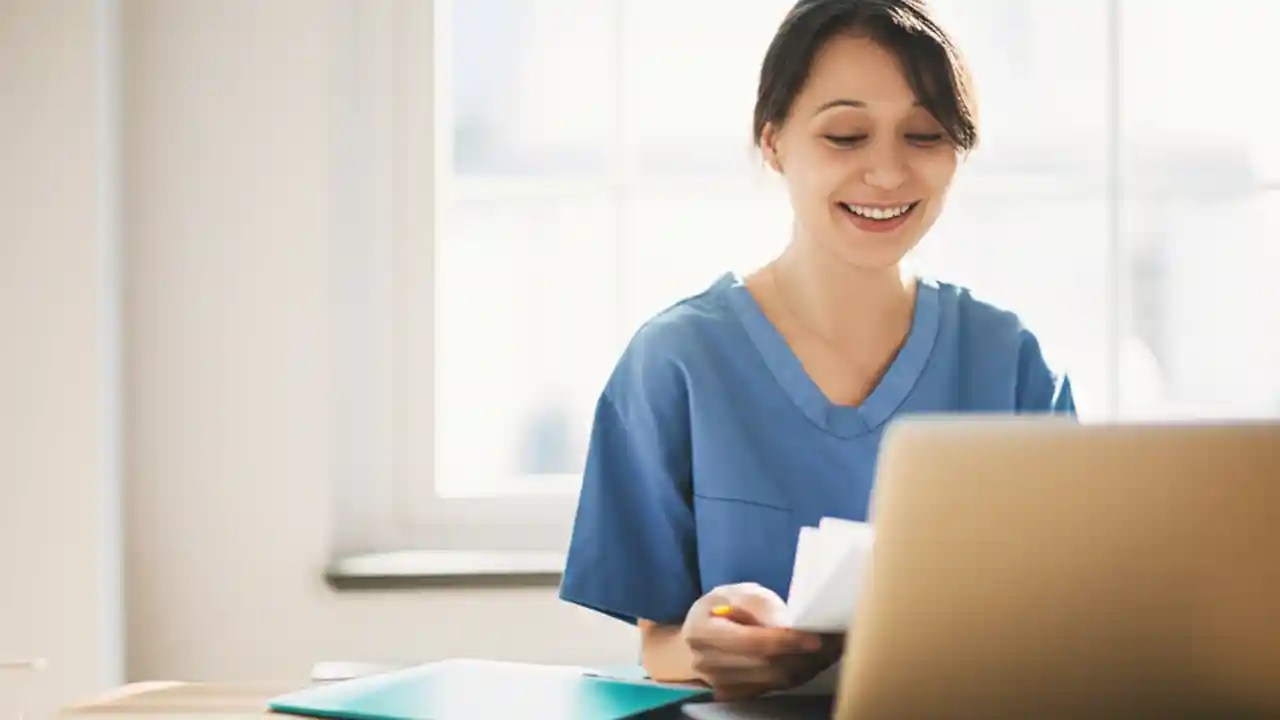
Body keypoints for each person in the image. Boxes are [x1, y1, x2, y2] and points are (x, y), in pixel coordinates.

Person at [559, 0, 1075, 701]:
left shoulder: (1011, 363)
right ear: (773, 143)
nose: (889, 173)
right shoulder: (675, 363)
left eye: (924, 135)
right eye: (845, 135)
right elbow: (662, 644)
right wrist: (714, 648)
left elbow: (1064, 620)